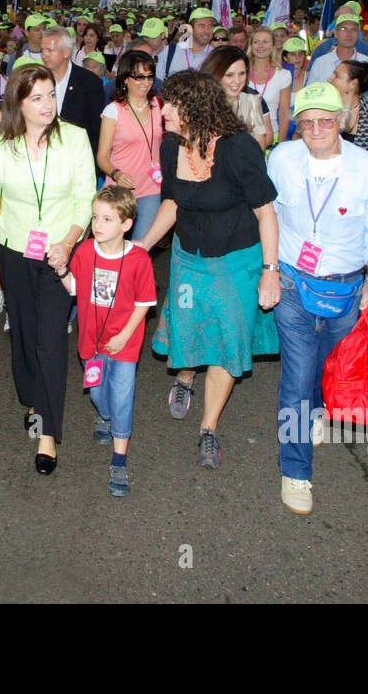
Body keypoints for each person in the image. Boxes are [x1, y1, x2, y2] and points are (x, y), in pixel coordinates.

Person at [139, 70, 281, 470]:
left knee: (227, 338)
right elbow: (172, 203)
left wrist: (270, 270)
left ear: (195, 108)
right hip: (188, 258)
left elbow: (266, 213)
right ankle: (185, 377)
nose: (162, 110)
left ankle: (208, 427)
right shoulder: (171, 148)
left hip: (237, 261)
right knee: (190, 325)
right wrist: (143, 248)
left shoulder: (239, 149)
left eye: (169, 104)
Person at [267, 82, 368, 514]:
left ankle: (318, 410)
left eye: (325, 120)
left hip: (347, 287)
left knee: (329, 365)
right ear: (296, 126)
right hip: (292, 283)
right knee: (297, 378)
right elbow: (267, 215)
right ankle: (296, 471)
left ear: (341, 121)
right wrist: (267, 271)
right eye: (307, 123)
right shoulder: (281, 158)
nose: (317, 130)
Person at [0, 63, 96, 474]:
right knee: (22, 337)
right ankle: (34, 399)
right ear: (19, 103)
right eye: (37, 97)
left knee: (50, 339)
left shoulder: (74, 138)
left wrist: (69, 240)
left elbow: (85, 195)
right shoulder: (0, 145)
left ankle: (48, 433)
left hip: (60, 253)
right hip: (13, 251)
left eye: (51, 95)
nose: (47, 105)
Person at [61, 186, 157, 497]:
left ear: (126, 224)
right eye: (95, 217)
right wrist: (61, 269)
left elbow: (144, 303)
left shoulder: (139, 259)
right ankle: (105, 416)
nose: (98, 225)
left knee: (122, 398)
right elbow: (74, 288)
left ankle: (119, 459)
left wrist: (124, 336)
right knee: (99, 394)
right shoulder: (86, 250)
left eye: (107, 219)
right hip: (92, 340)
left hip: (125, 344)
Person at [98, 51, 164, 242]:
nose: (146, 82)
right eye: (139, 77)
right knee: (111, 244)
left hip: (152, 187)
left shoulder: (159, 105)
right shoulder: (113, 111)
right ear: (125, 79)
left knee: (140, 246)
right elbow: (102, 156)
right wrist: (116, 174)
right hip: (120, 189)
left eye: (150, 76)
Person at [40, 26, 104, 155]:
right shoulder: (37, 80)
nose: (44, 55)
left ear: (66, 52)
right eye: (42, 50)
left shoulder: (89, 82)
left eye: (49, 50)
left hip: (77, 159)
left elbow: (97, 129)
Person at [205, 45, 272, 149]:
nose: (237, 81)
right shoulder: (201, 102)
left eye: (242, 74)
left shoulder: (251, 100)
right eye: (229, 75)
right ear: (215, 73)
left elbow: (259, 143)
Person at [248, 27, 292, 140]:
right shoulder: (241, 73)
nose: (260, 46)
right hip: (244, 137)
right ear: (251, 46)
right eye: (256, 42)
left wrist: (280, 144)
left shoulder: (283, 75)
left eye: (265, 42)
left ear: (273, 46)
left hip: (272, 135)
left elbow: (284, 113)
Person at [307, 12, 368, 85]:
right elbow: (309, 93)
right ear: (336, 33)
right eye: (344, 29)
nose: (349, 34)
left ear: (358, 34)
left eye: (353, 29)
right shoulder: (320, 63)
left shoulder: (367, 64)